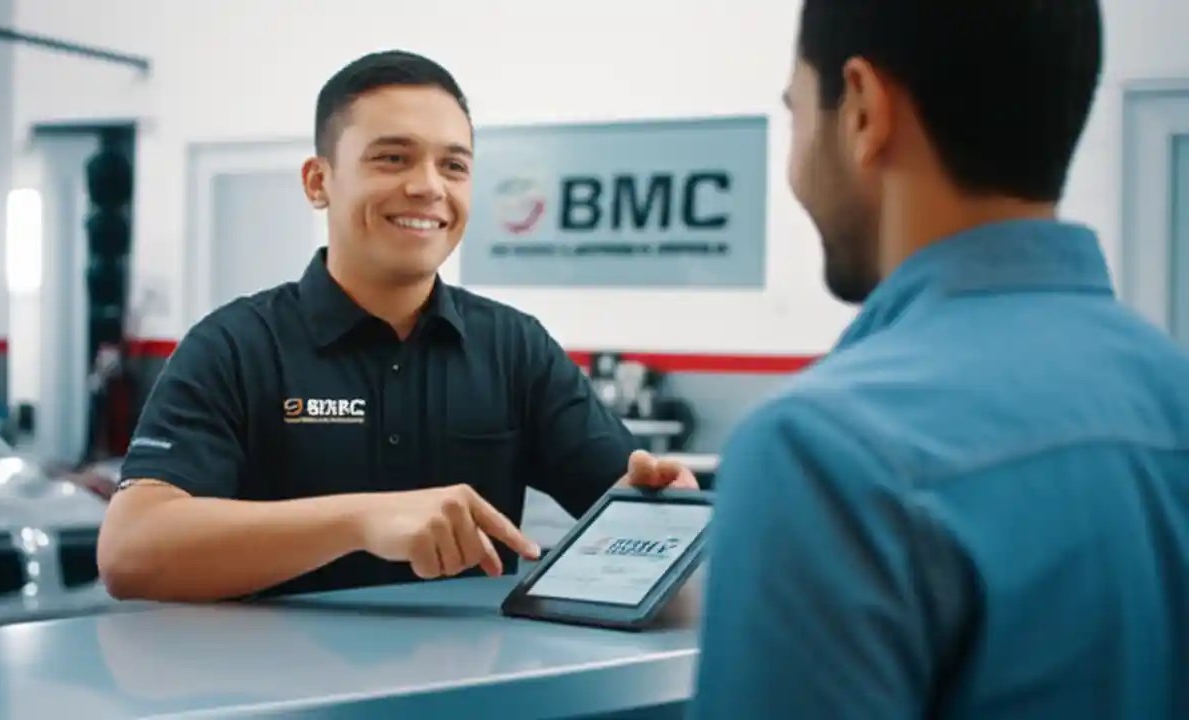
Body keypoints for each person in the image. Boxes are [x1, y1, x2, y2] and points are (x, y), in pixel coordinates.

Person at [693, 2, 1188, 719]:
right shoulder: (1172, 397)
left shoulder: (822, 452)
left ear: (861, 109)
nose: (797, 168)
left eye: (796, 114)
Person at [98, 50, 696, 603]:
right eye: (393, 158)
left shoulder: (515, 350)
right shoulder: (234, 347)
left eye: (453, 165)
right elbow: (130, 551)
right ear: (318, 181)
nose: (428, 186)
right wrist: (360, 521)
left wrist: (665, 505)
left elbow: (634, 511)